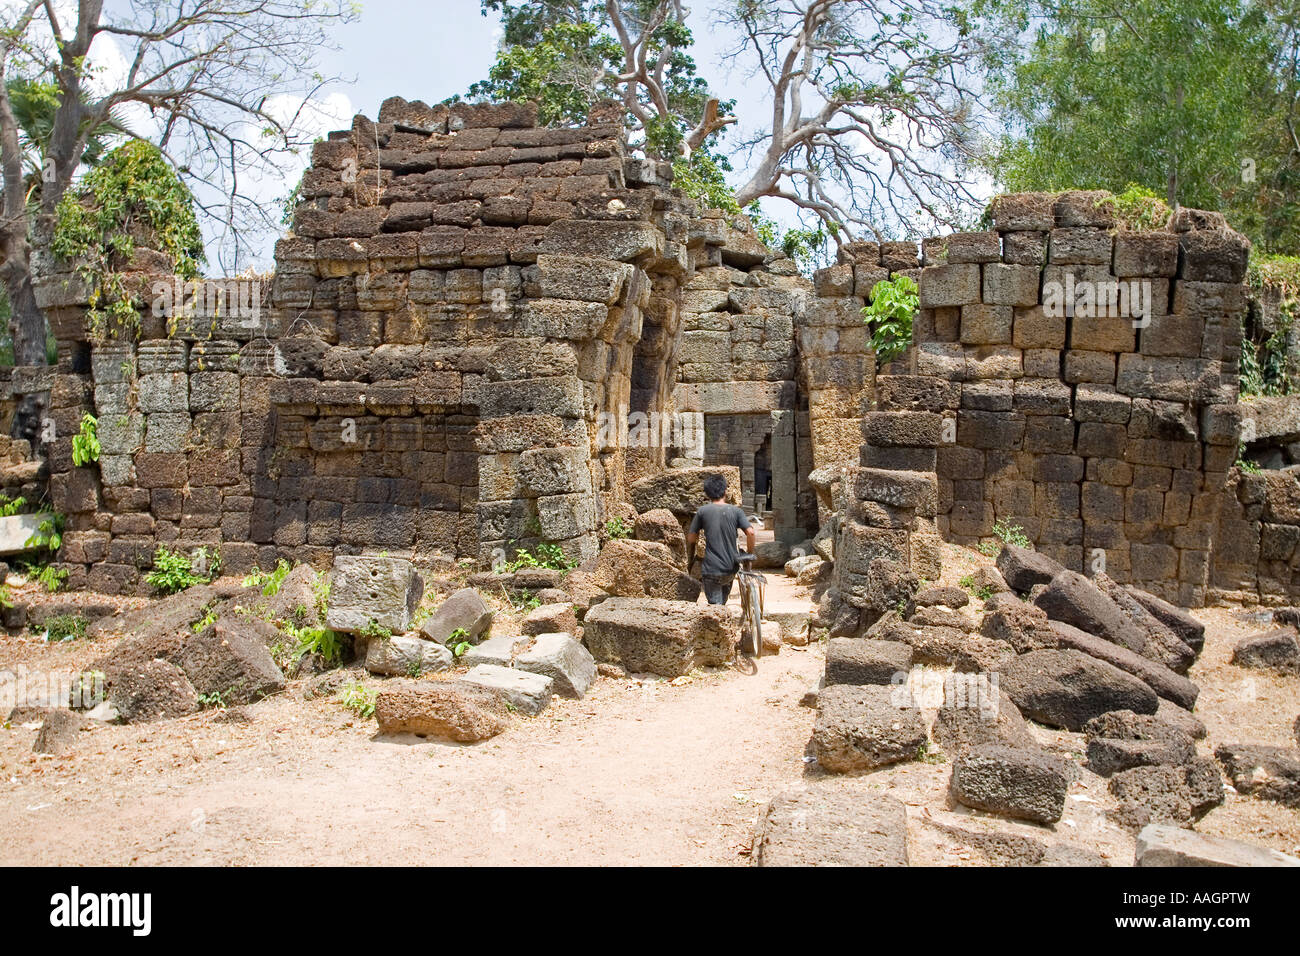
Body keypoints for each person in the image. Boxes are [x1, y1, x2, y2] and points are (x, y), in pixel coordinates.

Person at [686, 473, 755, 606]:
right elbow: (751, 533)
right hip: (730, 568)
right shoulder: (736, 511)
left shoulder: (702, 511)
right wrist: (749, 552)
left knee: (716, 608)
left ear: (707, 493)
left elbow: (691, 538)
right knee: (721, 605)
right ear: (725, 491)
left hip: (711, 568)